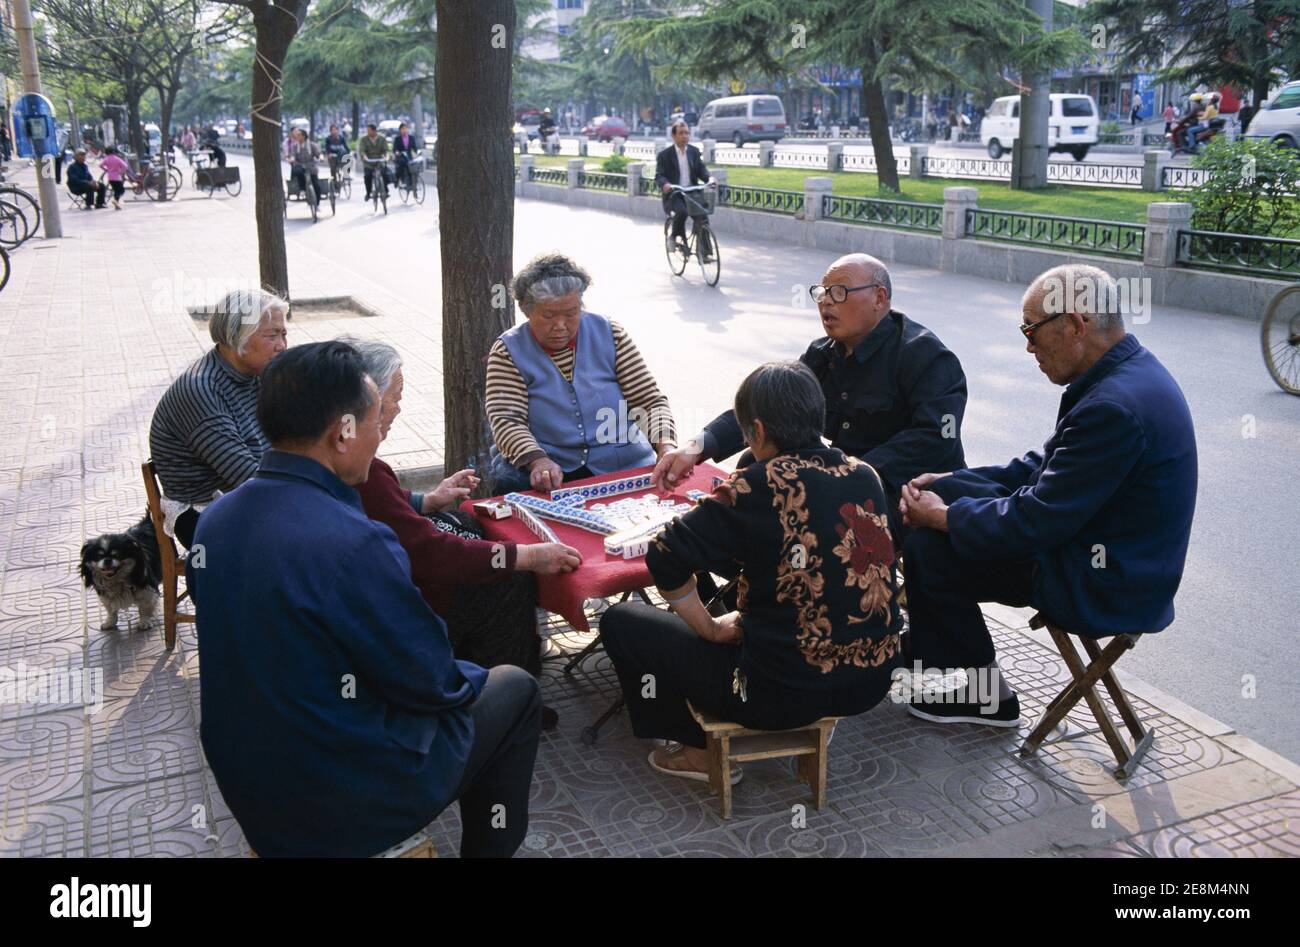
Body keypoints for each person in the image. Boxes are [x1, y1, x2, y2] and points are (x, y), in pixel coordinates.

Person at [191, 341, 541, 858]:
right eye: (378, 419)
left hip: (246, 778)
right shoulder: (354, 540)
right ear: (342, 434)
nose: (381, 434)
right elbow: (431, 680)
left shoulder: (214, 521)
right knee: (514, 689)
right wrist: (469, 674)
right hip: (339, 795)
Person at [896, 264, 1197, 726]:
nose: (1028, 347)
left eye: (1032, 332)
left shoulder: (1113, 406)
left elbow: (1034, 520)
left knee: (930, 546)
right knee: (950, 492)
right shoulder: (1124, 372)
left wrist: (945, 518)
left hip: (1106, 578)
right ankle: (934, 645)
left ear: (1075, 324)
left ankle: (984, 695)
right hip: (1100, 543)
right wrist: (946, 483)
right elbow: (1045, 467)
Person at [601, 361, 903, 782]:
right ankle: (817, 715)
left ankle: (696, 752)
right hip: (870, 683)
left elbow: (664, 554)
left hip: (774, 693)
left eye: (746, 433)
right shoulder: (866, 474)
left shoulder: (754, 485)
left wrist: (707, 627)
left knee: (621, 621)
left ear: (757, 432)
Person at [349, 340, 580, 729]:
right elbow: (426, 552)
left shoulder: (354, 460)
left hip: (388, 575)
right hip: (395, 604)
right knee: (508, 577)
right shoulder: (359, 464)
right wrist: (525, 556)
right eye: (392, 399)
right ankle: (509, 702)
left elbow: (389, 504)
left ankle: (485, 661)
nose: (398, 409)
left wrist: (429, 500)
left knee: (472, 526)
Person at [653, 252, 967, 532]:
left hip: (904, 491)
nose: (826, 302)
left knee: (794, 515)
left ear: (879, 298)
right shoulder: (822, 354)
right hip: (840, 480)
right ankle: (738, 583)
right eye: (822, 293)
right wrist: (696, 448)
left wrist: (845, 474)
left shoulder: (925, 357)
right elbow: (765, 408)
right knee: (755, 465)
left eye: (839, 292)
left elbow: (935, 437)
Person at [486, 253, 678, 494]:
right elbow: (507, 418)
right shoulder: (508, 351)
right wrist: (537, 460)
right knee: (511, 486)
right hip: (551, 465)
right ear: (526, 310)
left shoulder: (611, 334)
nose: (560, 325)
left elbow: (648, 399)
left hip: (621, 459)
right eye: (548, 315)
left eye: (571, 313)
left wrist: (666, 445)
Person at [148, 290, 289, 548]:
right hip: (203, 512)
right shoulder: (201, 390)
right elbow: (245, 476)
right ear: (237, 338)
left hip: (246, 493)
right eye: (272, 336)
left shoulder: (256, 372)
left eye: (283, 334)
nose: (282, 345)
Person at [654, 119, 715, 263]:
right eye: (681, 133)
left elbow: (701, 169)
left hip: (692, 193)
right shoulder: (665, 155)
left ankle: (704, 253)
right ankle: (673, 237)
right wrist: (665, 184)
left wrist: (710, 178)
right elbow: (659, 175)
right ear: (674, 136)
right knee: (682, 212)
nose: (685, 136)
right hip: (675, 194)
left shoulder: (693, 151)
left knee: (702, 216)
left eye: (687, 133)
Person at [284, 127, 323, 205]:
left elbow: (318, 154)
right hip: (300, 166)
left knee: (316, 184)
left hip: (311, 166)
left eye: (299, 135)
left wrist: (321, 157)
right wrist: (291, 159)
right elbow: (293, 155)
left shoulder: (312, 145)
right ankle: (302, 189)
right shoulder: (295, 146)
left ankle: (317, 203)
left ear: (303, 136)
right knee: (297, 171)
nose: (297, 137)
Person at [359, 122, 389, 200]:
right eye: (367, 130)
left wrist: (386, 156)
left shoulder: (382, 139)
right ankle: (368, 192)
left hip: (379, 160)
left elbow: (385, 150)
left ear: (374, 131)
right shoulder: (364, 139)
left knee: (385, 173)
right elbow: (362, 150)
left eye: (369, 130)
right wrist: (364, 156)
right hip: (368, 161)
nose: (368, 132)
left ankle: (386, 190)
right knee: (367, 176)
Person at [391, 121, 418, 187]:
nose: (404, 130)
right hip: (400, 156)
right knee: (402, 165)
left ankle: (412, 182)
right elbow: (394, 149)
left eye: (405, 128)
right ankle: (398, 180)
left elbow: (414, 148)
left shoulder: (411, 138)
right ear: (400, 130)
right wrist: (397, 152)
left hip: (409, 157)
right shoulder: (397, 139)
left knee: (414, 167)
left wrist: (417, 152)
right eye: (402, 129)